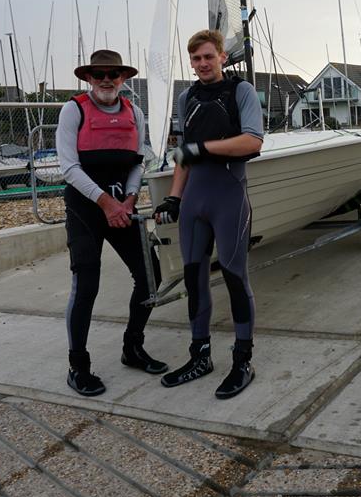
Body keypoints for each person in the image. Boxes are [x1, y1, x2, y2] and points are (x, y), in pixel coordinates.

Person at [155, 29, 264, 399]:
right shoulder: (186, 97)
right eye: (196, 59)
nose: (202, 64)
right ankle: (200, 356)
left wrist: (202, 148)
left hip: (228, 196)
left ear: (221, 57)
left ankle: (242, 360)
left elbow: (252, 140)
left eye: (208, 57)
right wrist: (173, 197)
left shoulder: (240, 91)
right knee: (194, 280)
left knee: (235, 278)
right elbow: (185, 153)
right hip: (193, 202)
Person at [56, 49, 167, 396]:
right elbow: (68, 168)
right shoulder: (73, 110)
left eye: (113, 74)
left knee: (151, 276)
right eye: (99, 73)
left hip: (122, 205)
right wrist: (105, 203)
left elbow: (137, 162)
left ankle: (132, 347)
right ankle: (79, 366)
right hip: (86, 209)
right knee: (86, 285)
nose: (106, 79)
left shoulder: (134, 112)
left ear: (123, 78)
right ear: (88, 77)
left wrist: (129, 200)